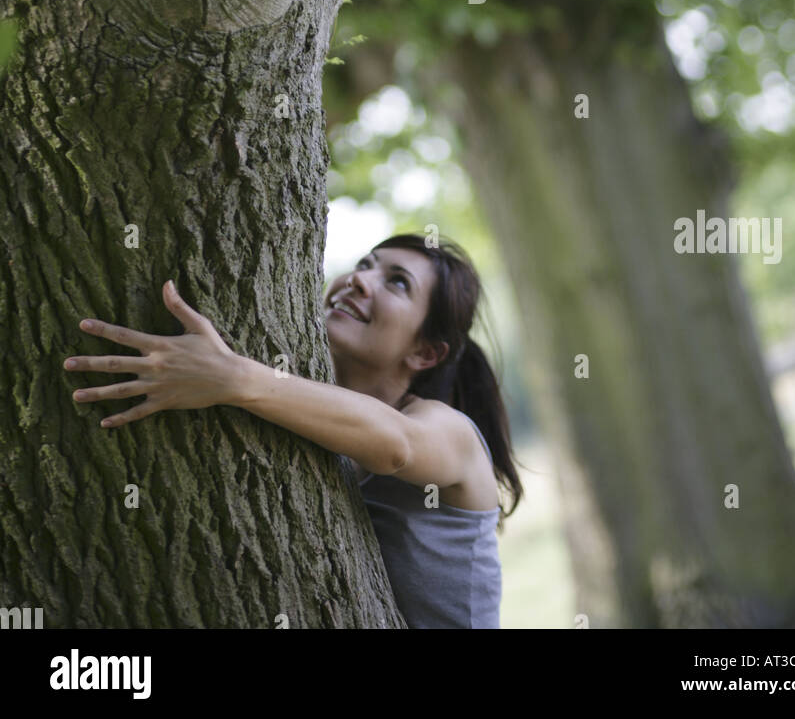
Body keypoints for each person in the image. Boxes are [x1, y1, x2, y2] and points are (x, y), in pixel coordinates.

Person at [63, 231, 523, 629]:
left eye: (396, 282)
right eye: (365, 264)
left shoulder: (452, 432)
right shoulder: (312, 420)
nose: (358, 279)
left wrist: (233, 378)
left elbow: (397, 447)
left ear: (425, 353)